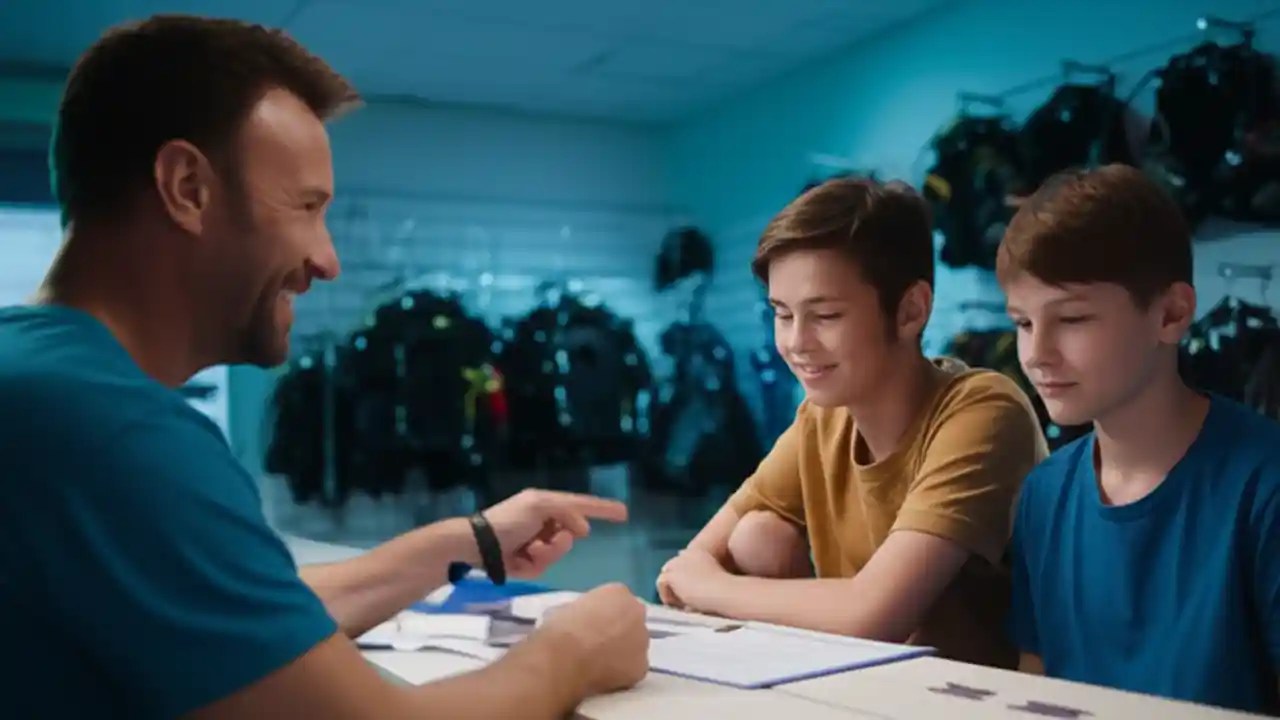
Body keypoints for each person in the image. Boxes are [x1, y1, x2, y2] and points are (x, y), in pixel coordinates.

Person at [0, 15, 649, 720]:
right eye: (306, 207)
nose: (328, 260)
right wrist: (575, 650)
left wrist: (473, 541)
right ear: (187, 187)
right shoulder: (112, 429)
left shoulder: (36, 380)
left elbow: (239, 621)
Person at [655, 177, 1047, 668]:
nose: (796, 343)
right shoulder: (823, 417)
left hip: (973, 694)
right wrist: (703, 580)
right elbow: (691, 564)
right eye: (782, 315)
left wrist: (712, 588)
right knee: (757, 535)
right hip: (869, 681)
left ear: (911, 311)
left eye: (825, 316)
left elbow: (873, 614)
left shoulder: (983, 410)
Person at [1001, 164, 1280, 714]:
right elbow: (1035, 687)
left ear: (1171, 314)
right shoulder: (1044, 494)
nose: (1037, 354)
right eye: (1023, 323)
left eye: (1072, 319)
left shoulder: (1264, 488)